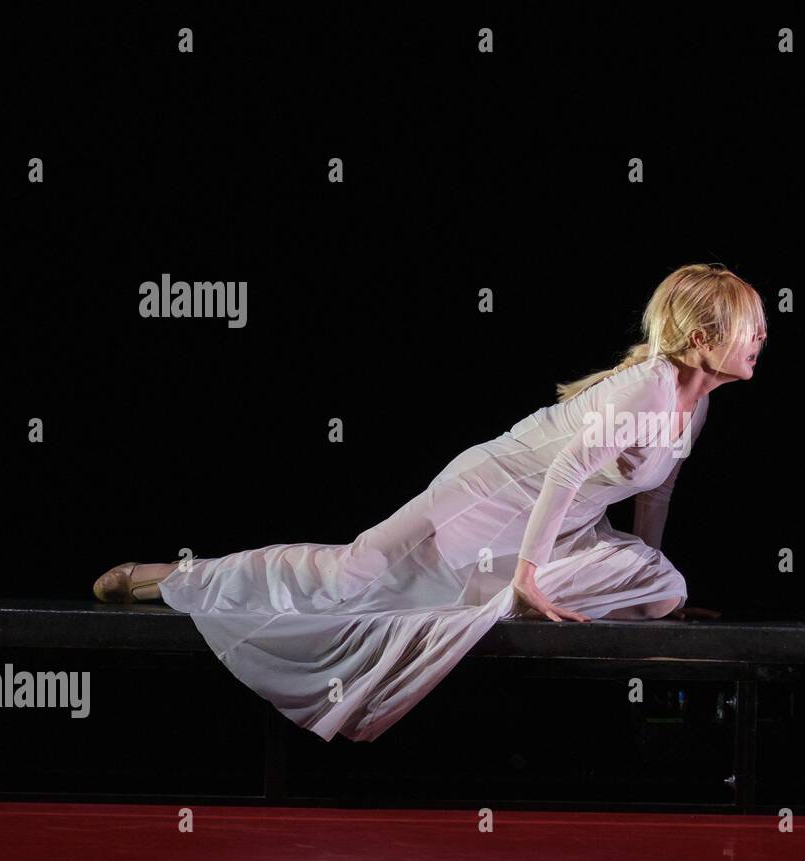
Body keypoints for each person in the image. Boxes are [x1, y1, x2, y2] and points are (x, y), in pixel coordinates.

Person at [91, 262, 768, 741]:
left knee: (661, 586)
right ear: (704, 339)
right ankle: (181, 577)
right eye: (751, 328)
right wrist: (528, 579)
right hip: (488, 493)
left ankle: (549, 586)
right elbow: (564, 472)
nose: (762, 339)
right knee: (350, 574)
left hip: (559, 527)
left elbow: (656, 489)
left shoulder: (694, 408)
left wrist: (645, 576)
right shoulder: (646, 388)